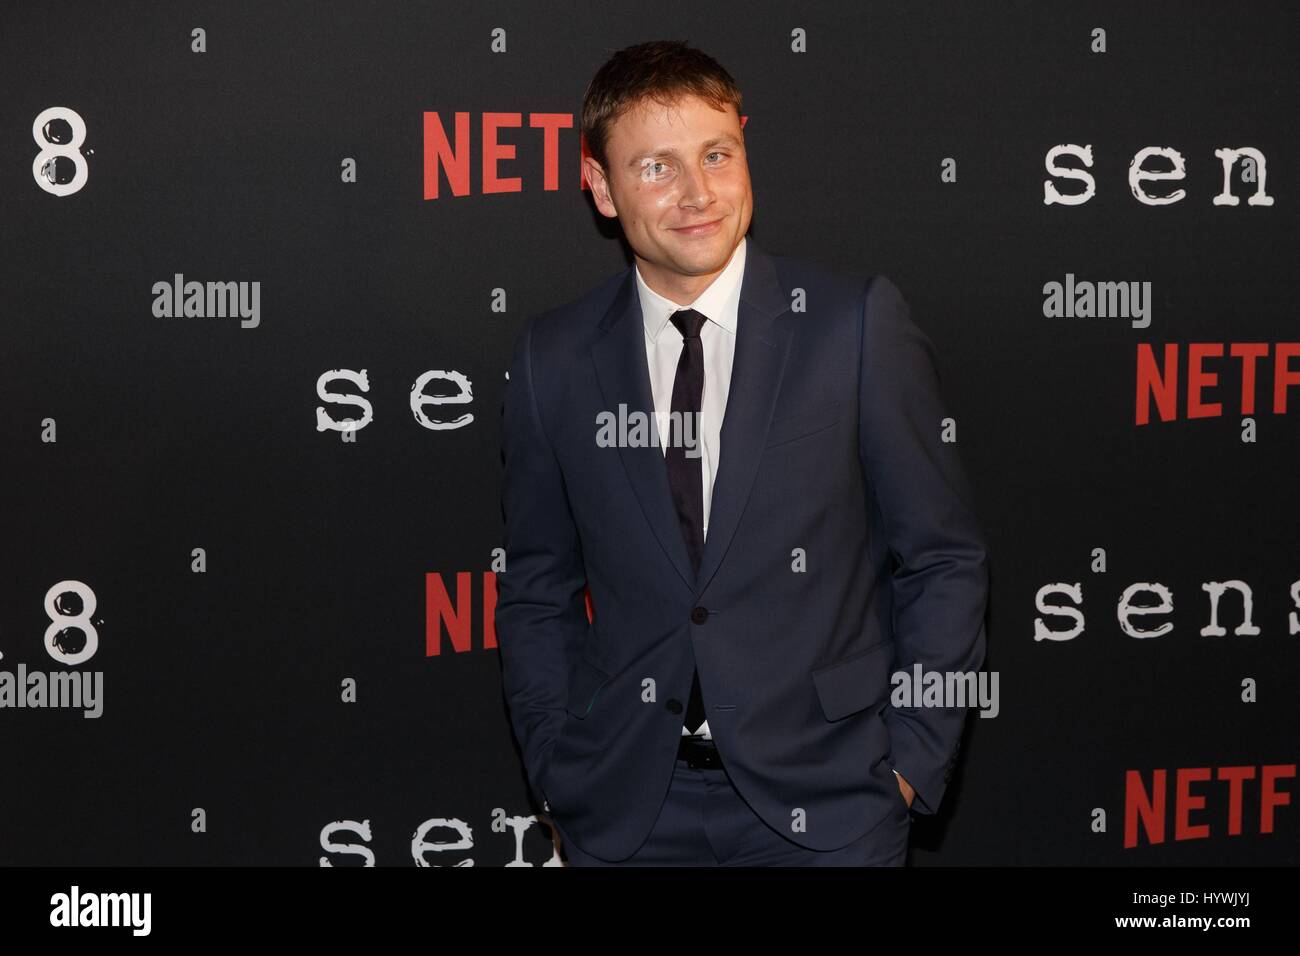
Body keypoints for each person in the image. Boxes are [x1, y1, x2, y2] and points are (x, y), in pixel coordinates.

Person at [496, 39, 989, 866]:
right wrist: (555, 767)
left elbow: (943, 557)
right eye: (657, 167)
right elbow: (537, 587)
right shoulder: (554, 359)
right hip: (626, 811)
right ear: (601, 188)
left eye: (717, 155)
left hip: (832, 806)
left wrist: (910, 763)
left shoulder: (853, 326)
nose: (698, 193)